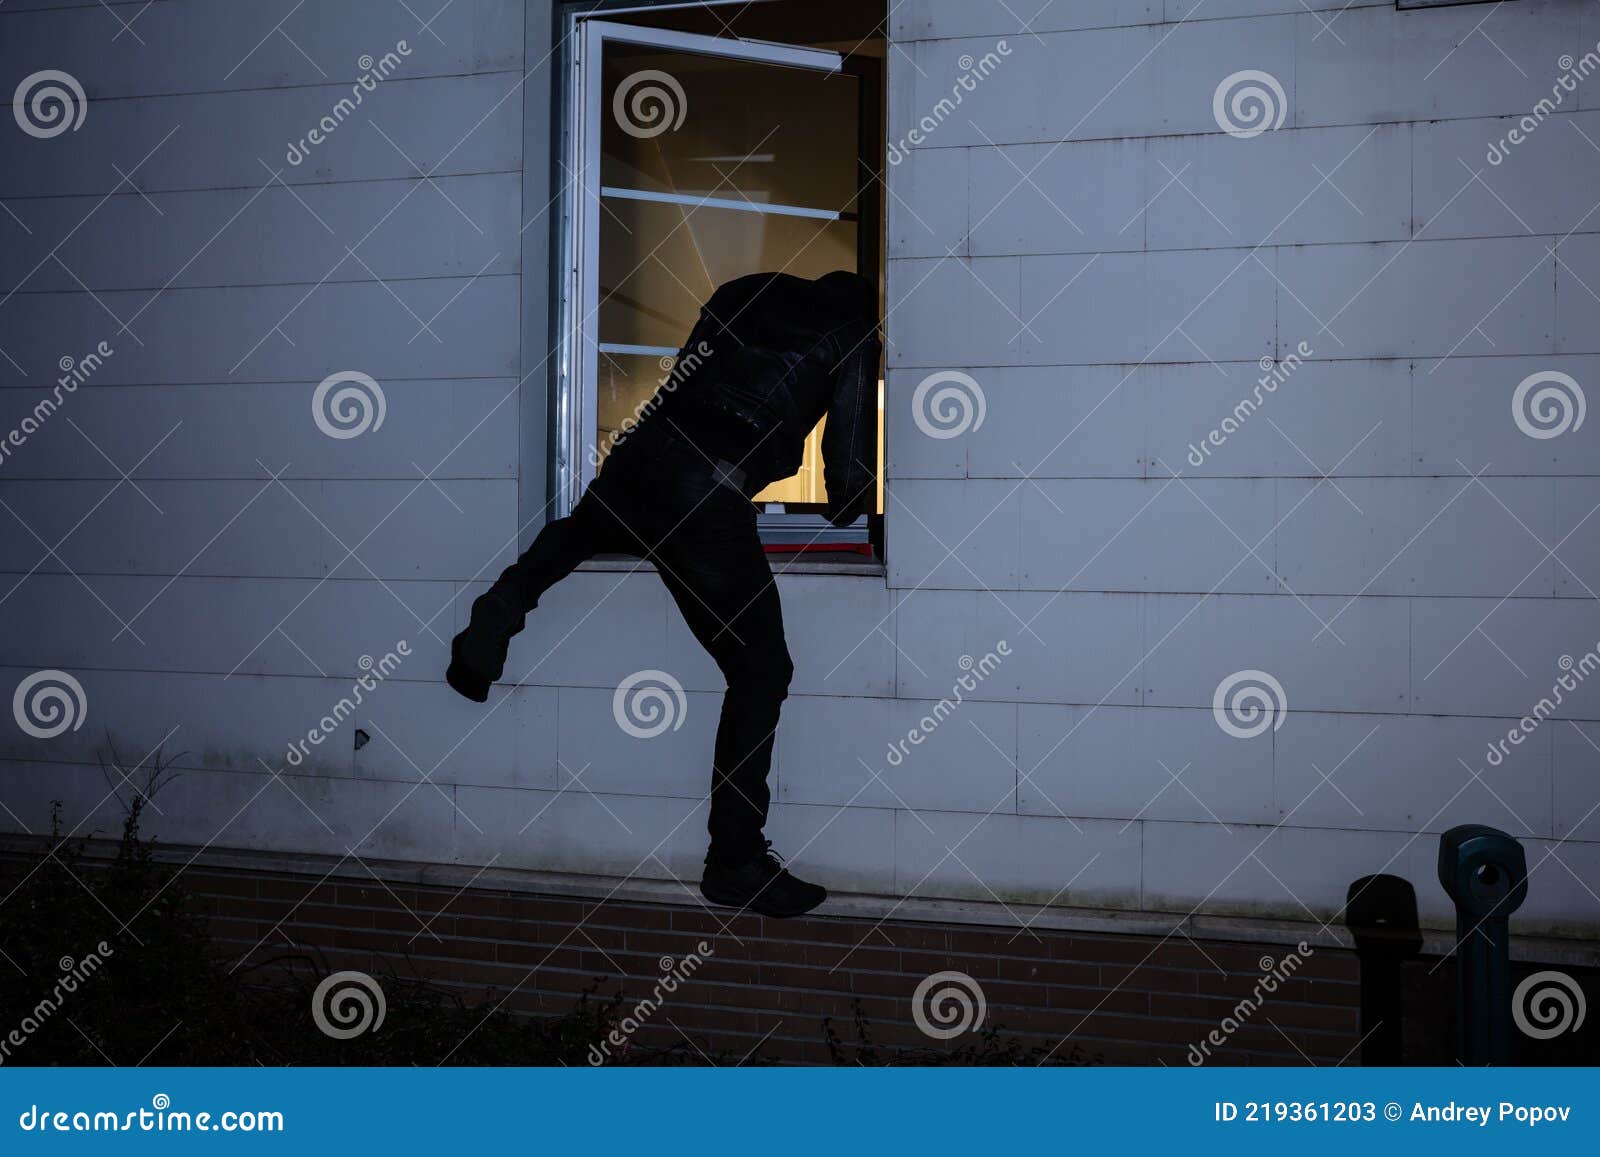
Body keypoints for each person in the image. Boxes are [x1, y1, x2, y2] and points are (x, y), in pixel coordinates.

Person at [446, 270, 880, 919]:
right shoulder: (855, 332)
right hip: (707, 486)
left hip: (639, 456)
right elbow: (849, 472)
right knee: (763, 670)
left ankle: (504, 603)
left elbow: (685, 381)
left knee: (580, 531)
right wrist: (852, 498)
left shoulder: (746, 289)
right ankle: (734, 860)